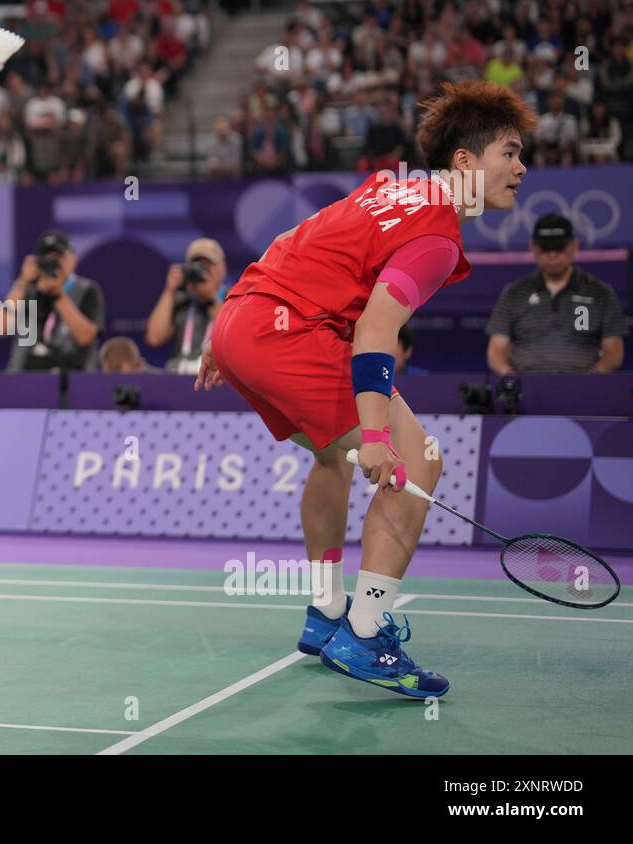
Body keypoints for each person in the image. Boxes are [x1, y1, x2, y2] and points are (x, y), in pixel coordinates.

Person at [198, 80, 538, 699]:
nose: (521, 168)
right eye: (509, 154)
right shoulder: (437, 236)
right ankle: (366, 630)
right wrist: (380, 438)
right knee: (422, 460)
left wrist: (227, 330)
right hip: (289, 333)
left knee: (334, 454)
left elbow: (290, 242)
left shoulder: (391, 187)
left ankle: (326, 611)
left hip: (245, 318)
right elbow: (377, 330)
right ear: (464, 161)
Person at [486, 214, 626, 375]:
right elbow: (496, 351)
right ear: (532, 247)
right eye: (545, 247)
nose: (552, 254)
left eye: (559, 247)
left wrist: (590, 382)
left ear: (574, 246)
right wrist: (513, 380)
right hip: (527, 391)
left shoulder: (601, 293)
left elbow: (614, 352)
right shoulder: (513, 293)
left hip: (585, 391)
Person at [0, 230, 104, 372]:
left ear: (73, 260)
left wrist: (58, 295)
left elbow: (85, 337)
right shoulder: (26, 290)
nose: (52, 263)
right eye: (46, 257)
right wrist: (22, 283)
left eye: (58, 257)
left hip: (71, 382)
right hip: (24, 380)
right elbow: (1, 328)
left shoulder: (88, 290)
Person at [144, 238, 226, 374]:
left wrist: (211, 297)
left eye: (207, 265)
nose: (201, 270)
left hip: (214, 374)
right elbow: (154, 338)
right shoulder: (181, 300)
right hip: (178, 372)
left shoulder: (232, 297)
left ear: (222, 268)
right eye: (196, 264)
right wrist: (169, 292)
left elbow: (231, 335)